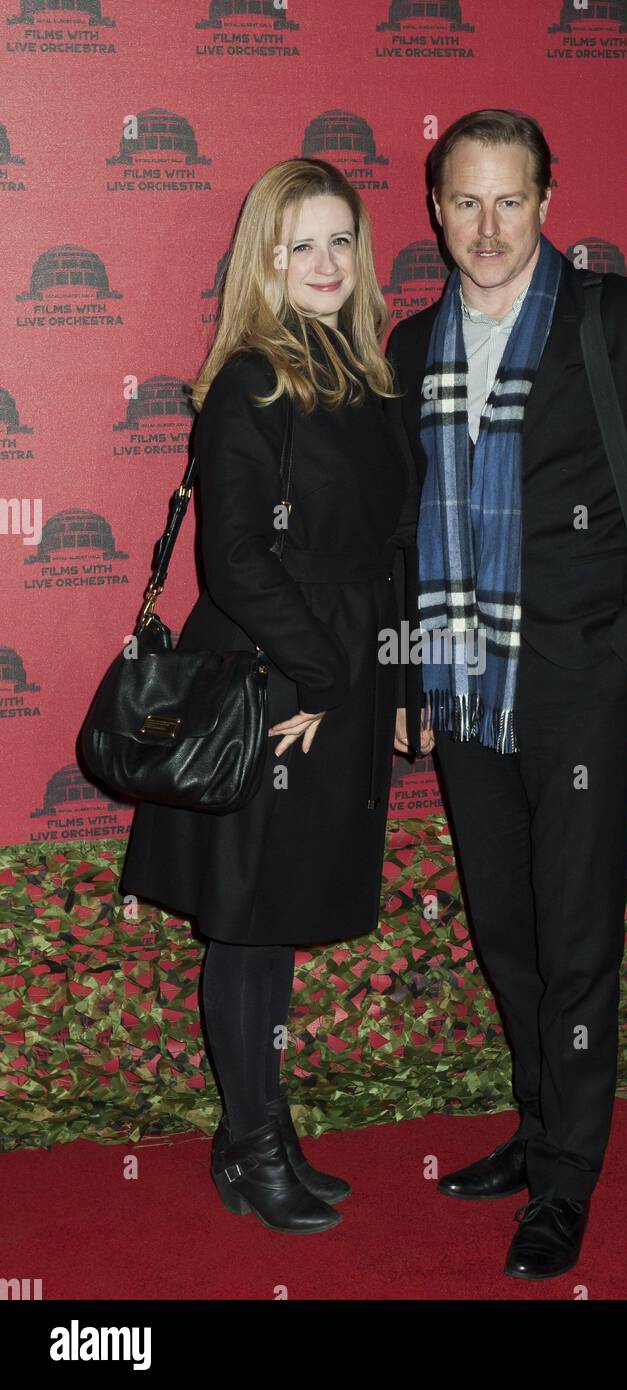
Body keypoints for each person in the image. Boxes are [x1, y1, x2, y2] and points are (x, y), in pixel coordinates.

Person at [386, 109, 627, 1279]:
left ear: (548, 201)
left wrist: (624, 656)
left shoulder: (616, 320)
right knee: (508, 936)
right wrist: (409, 669)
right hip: (468, 693)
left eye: (509, 201)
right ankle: (537, 1133)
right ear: (435, 210)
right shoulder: (409, 346)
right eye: (464, 202)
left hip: (575, 685)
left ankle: (567, 1178)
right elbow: (400, 528)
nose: (486, 226)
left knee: (576, 943)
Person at [120, 157, 431, 1234]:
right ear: (264, 260)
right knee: (249, 922)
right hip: (272, 672)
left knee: (281, 915)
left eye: (341, 239)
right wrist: (318, 673)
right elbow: (237, 559)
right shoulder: (252, 379)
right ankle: (250, 1145)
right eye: (300, 243)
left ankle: (265, 1126)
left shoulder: (369, 377)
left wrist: (396, 677)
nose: (325, 263)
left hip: (336, 671)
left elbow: (396, 547)